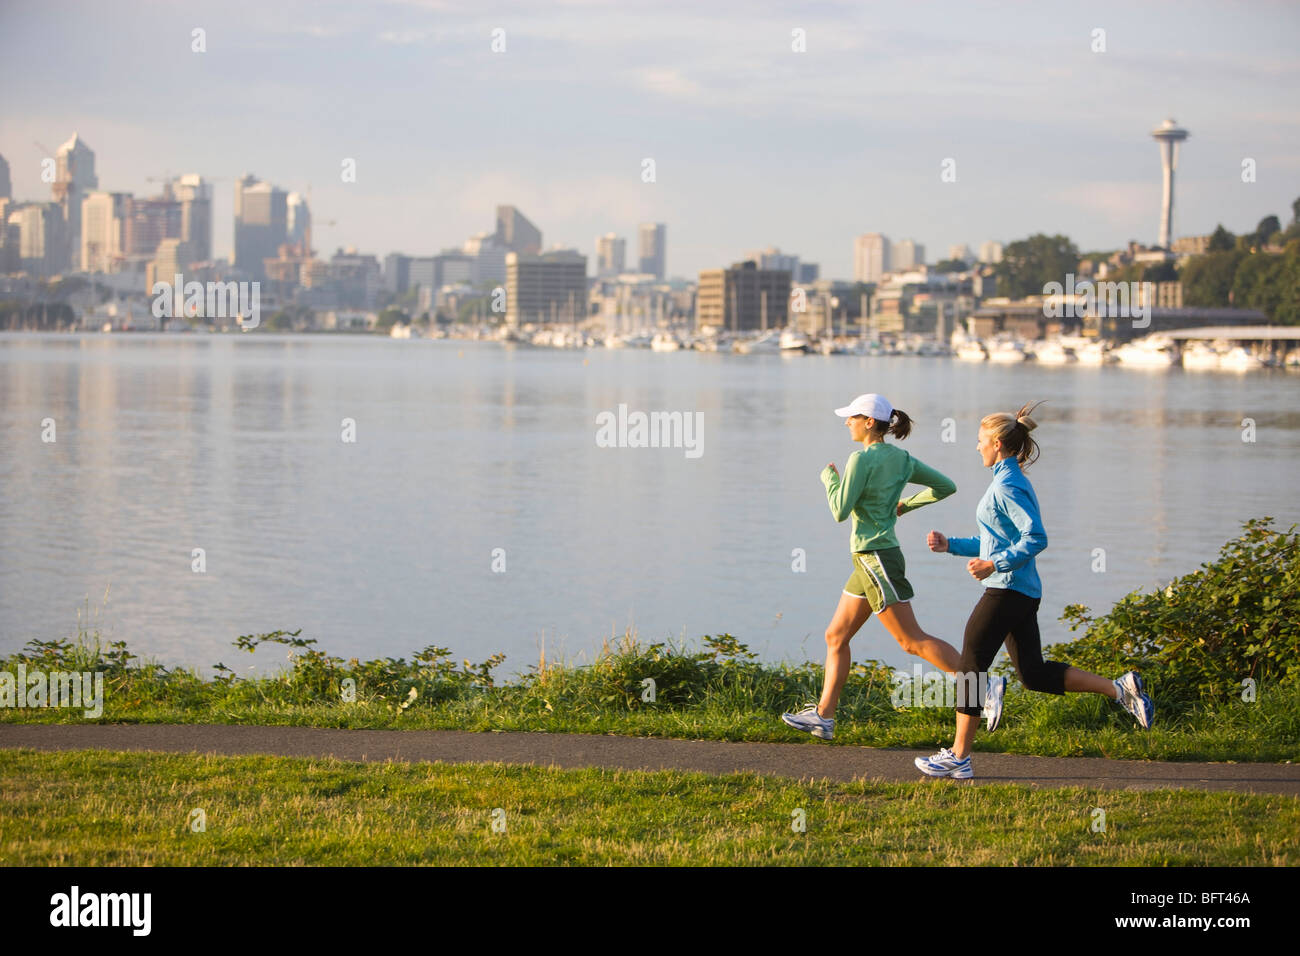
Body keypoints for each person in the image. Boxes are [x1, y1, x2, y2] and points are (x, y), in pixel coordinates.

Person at [915, 401, 1154, 780]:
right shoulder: (1005, 480)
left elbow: (1035, 537)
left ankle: (959, 756)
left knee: (971, 667)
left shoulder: (1008, 484)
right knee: (1033, 674)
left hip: (1007, 590)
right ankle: (1121, 689)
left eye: (980, 441)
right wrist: (953, 545)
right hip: (1020, 590)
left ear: (996, 443)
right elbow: (999, 539)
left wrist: (995, 565)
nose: (976, 447)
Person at [782, 392, 1000, 742]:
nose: (846, 422)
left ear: (869, 422)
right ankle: (823, 717)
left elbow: (839, 510)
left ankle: (983, 687)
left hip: (875, 558)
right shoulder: (902, 458)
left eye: (852, 417)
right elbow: (946, 486)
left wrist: (828, 480)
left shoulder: (859, 460)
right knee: (835, 636)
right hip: (872, 558)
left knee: (911, 641)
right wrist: (905, 506)